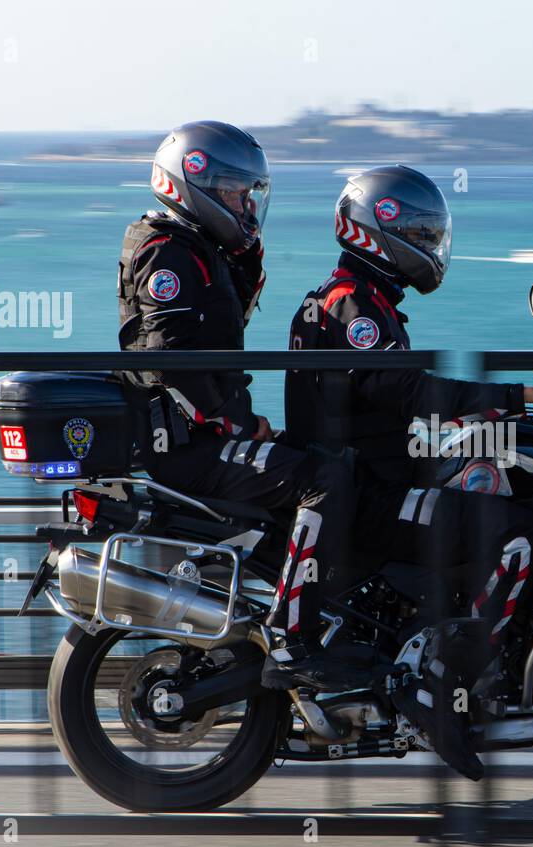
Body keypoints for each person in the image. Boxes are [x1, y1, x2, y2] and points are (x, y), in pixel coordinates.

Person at [284, 164, 533, 779]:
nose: (432, 248)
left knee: (499, 475)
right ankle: (439, 686)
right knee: (516, 535)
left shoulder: (360, 298)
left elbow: (390, 408)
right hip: (366, 496)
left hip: (372, 476)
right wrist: (530, 400)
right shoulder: (354, 308)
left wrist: (494, 424)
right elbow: (413, 395)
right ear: (381, 229)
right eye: (423, 234)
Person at [117, 120, 370, 691]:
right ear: (194, 184)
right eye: (235, 193)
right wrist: (237, 424)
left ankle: (327, 610)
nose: (246, 204)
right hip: (188, 448)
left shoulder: (197, 248)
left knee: (330, 458)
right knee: (322, 479)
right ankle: (291, 633)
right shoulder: (169, 254)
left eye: (249, 193)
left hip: (202, 437)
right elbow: (169, 359)